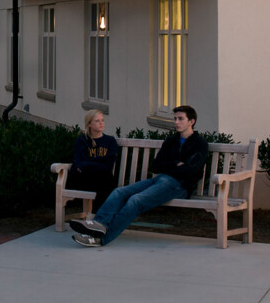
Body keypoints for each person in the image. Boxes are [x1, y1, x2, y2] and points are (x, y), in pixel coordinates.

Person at [70, 105, 208, 247]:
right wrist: (176, 164)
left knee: (135, 201)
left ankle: (101, 239)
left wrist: (171, 166)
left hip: (179, 186)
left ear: (191, 121)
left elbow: (190, 170)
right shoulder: (171, 141)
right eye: (175, 119)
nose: (176, 122)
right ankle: (98, 224)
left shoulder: (200, 144)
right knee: (119, 192)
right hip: (159, 180)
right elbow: (156, 166)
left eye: (180, 119)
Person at [67, 109, 120, 212]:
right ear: (89, 124)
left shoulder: (110, 141)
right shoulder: (82, 141)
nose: (101, 123)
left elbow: (109, 164)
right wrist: (99, 162)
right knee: (105, 179)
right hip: (86, 180)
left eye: (102, 120)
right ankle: (98, 218)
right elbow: (78, 163)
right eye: (97, 121)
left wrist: (88, 163)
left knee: (105, 178)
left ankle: (96, 217)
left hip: (101, 178)